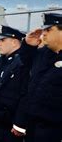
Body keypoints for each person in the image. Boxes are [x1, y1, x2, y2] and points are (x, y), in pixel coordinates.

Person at [12, 13, 62, 142]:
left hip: (55, 129)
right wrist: (28, 45)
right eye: (44, 29)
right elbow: (26, 70)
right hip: (34, 125)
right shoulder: (43, 54)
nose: (43, 33)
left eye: (49, 29)